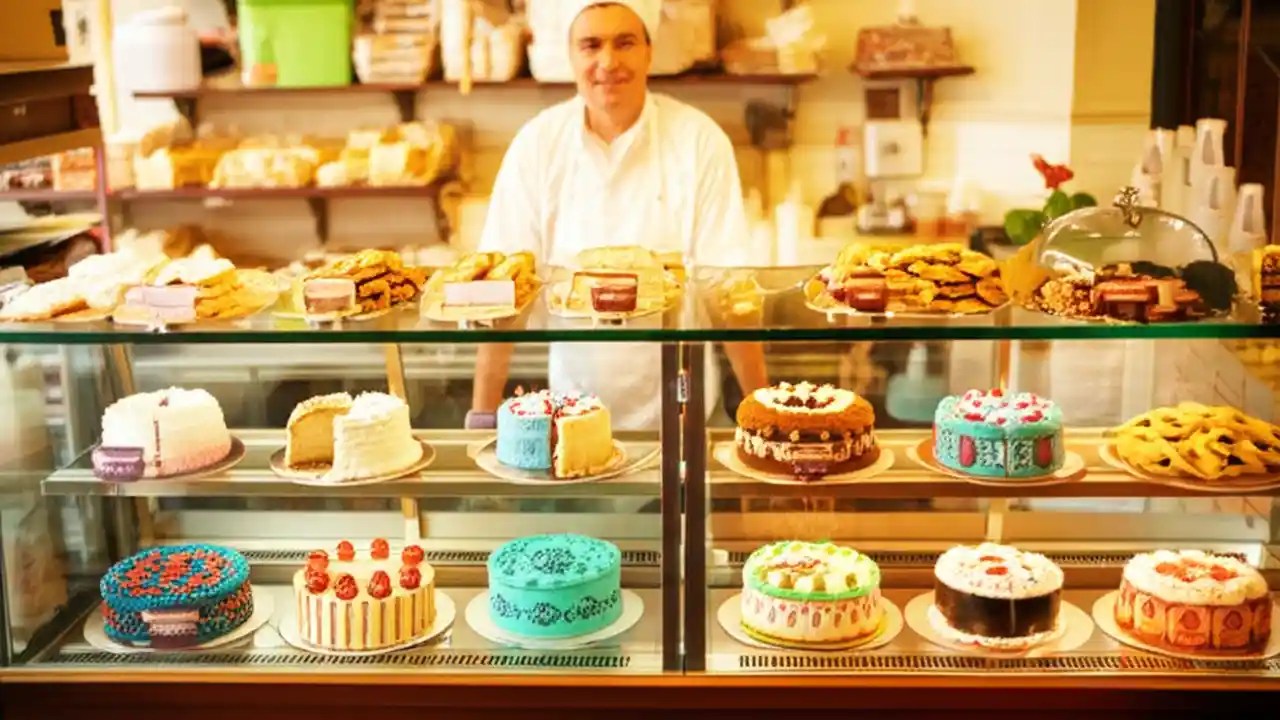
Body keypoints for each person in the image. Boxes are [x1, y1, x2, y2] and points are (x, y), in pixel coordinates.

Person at [466, 0, 767, 431]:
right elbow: (502, 294)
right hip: (571, 422)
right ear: (570, 55)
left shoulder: (698, 140)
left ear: (649, 50)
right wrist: (482, 414)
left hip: (684, 420)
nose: (608, 62)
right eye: (590, 45)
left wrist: (761, 411)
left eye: (624, 42)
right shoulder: (538, 145)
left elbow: (730, 292)